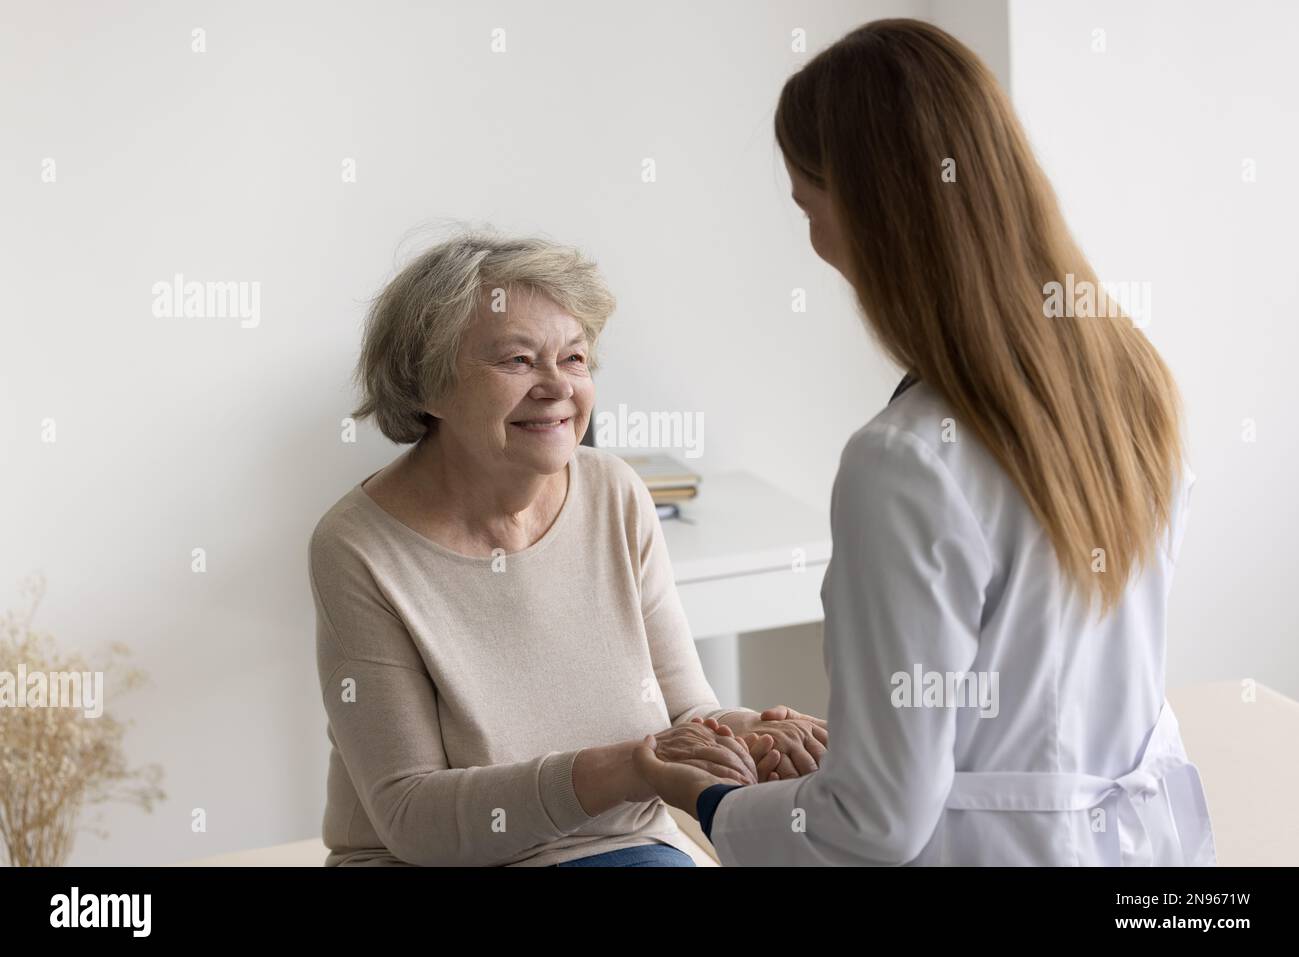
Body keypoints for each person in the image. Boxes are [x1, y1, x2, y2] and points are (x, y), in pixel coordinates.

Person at [633, 18, 1216, 867]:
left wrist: (712, 799)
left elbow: (874, 826)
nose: (813, 243)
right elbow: (1038, 691)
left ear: (873, 214)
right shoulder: (1129, 382)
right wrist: (880, 741)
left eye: (808, 204)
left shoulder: (902, 463)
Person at [309, 230, 827, 866]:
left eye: (574, 359)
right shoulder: (358, 546)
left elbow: (687, 713)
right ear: (426, 388)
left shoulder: (615, 492)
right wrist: (629, 769)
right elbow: (413, 817)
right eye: (518, 361)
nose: (557, 387)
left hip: (621, 848)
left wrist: (746, 736)